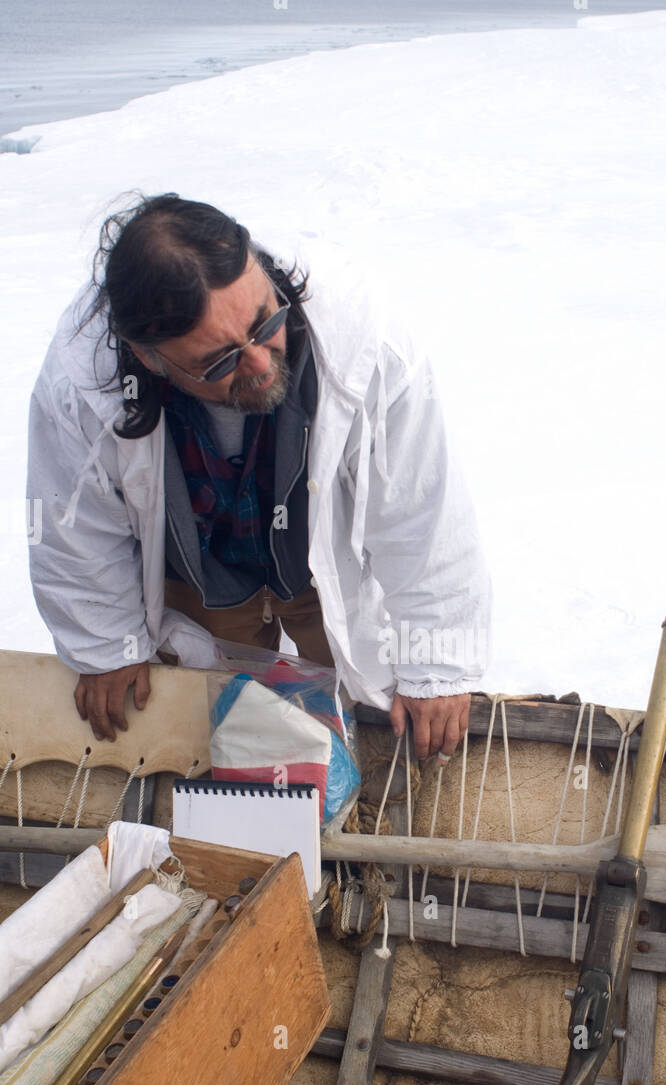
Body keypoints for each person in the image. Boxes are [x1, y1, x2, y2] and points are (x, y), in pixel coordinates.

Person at [26, 194, 491, 760]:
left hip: (321, 566)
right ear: (150, 359)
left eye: (265, 322)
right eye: (220, 362)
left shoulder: (367, 339)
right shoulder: (80, 385)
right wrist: (106, 648)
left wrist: (437, 668)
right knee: (229, 735)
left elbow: (422, 508)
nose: (261, 363)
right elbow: (71, 524)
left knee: (375, 720)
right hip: (199, 574)